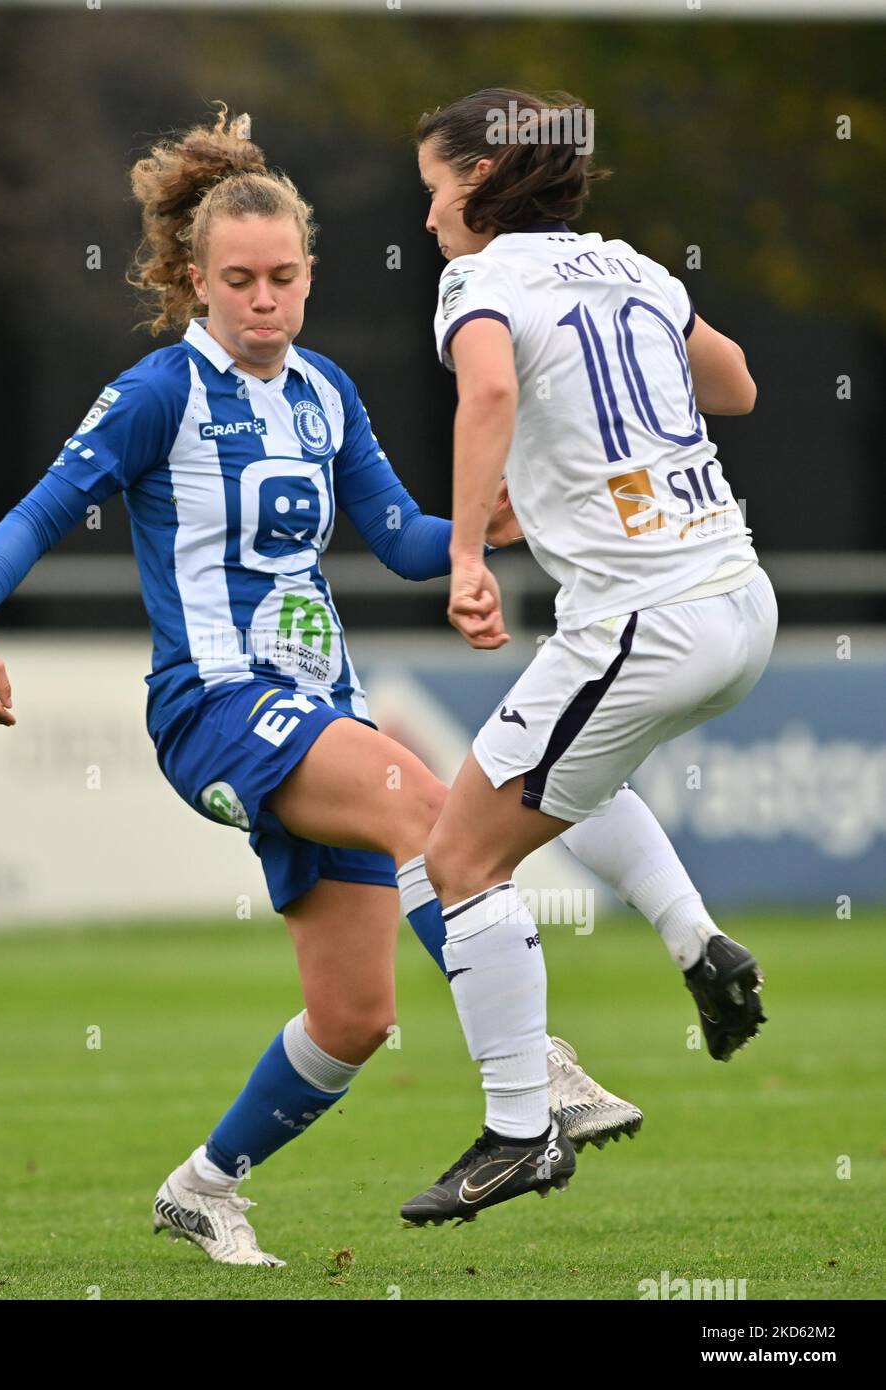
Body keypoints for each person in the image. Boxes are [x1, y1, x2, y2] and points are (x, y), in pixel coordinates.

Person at [0, 107, 714, 1267]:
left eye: (283, 277)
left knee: (355, 1017)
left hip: (317, 712)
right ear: (194, 281)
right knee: (428, 802)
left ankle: (203, 1184)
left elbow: (397, 533)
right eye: (238, 280)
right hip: (213, 708)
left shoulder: (324, 392)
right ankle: (531, 1077)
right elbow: (44, 506)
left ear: (308, 276)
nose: (263, 299)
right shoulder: (159, 392)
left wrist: (476, 530)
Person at [401, 89, 776, 1227]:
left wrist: (466, 548)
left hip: (640, 622)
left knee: (452, 862)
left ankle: (520, 1131)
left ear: (475, 182)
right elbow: (736, 385)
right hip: (738, 604)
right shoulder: (631, 269)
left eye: (430, 190)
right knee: (552, 780)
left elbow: (493, 389)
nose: (424, 220)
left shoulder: (479, 281)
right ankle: (695, 941)